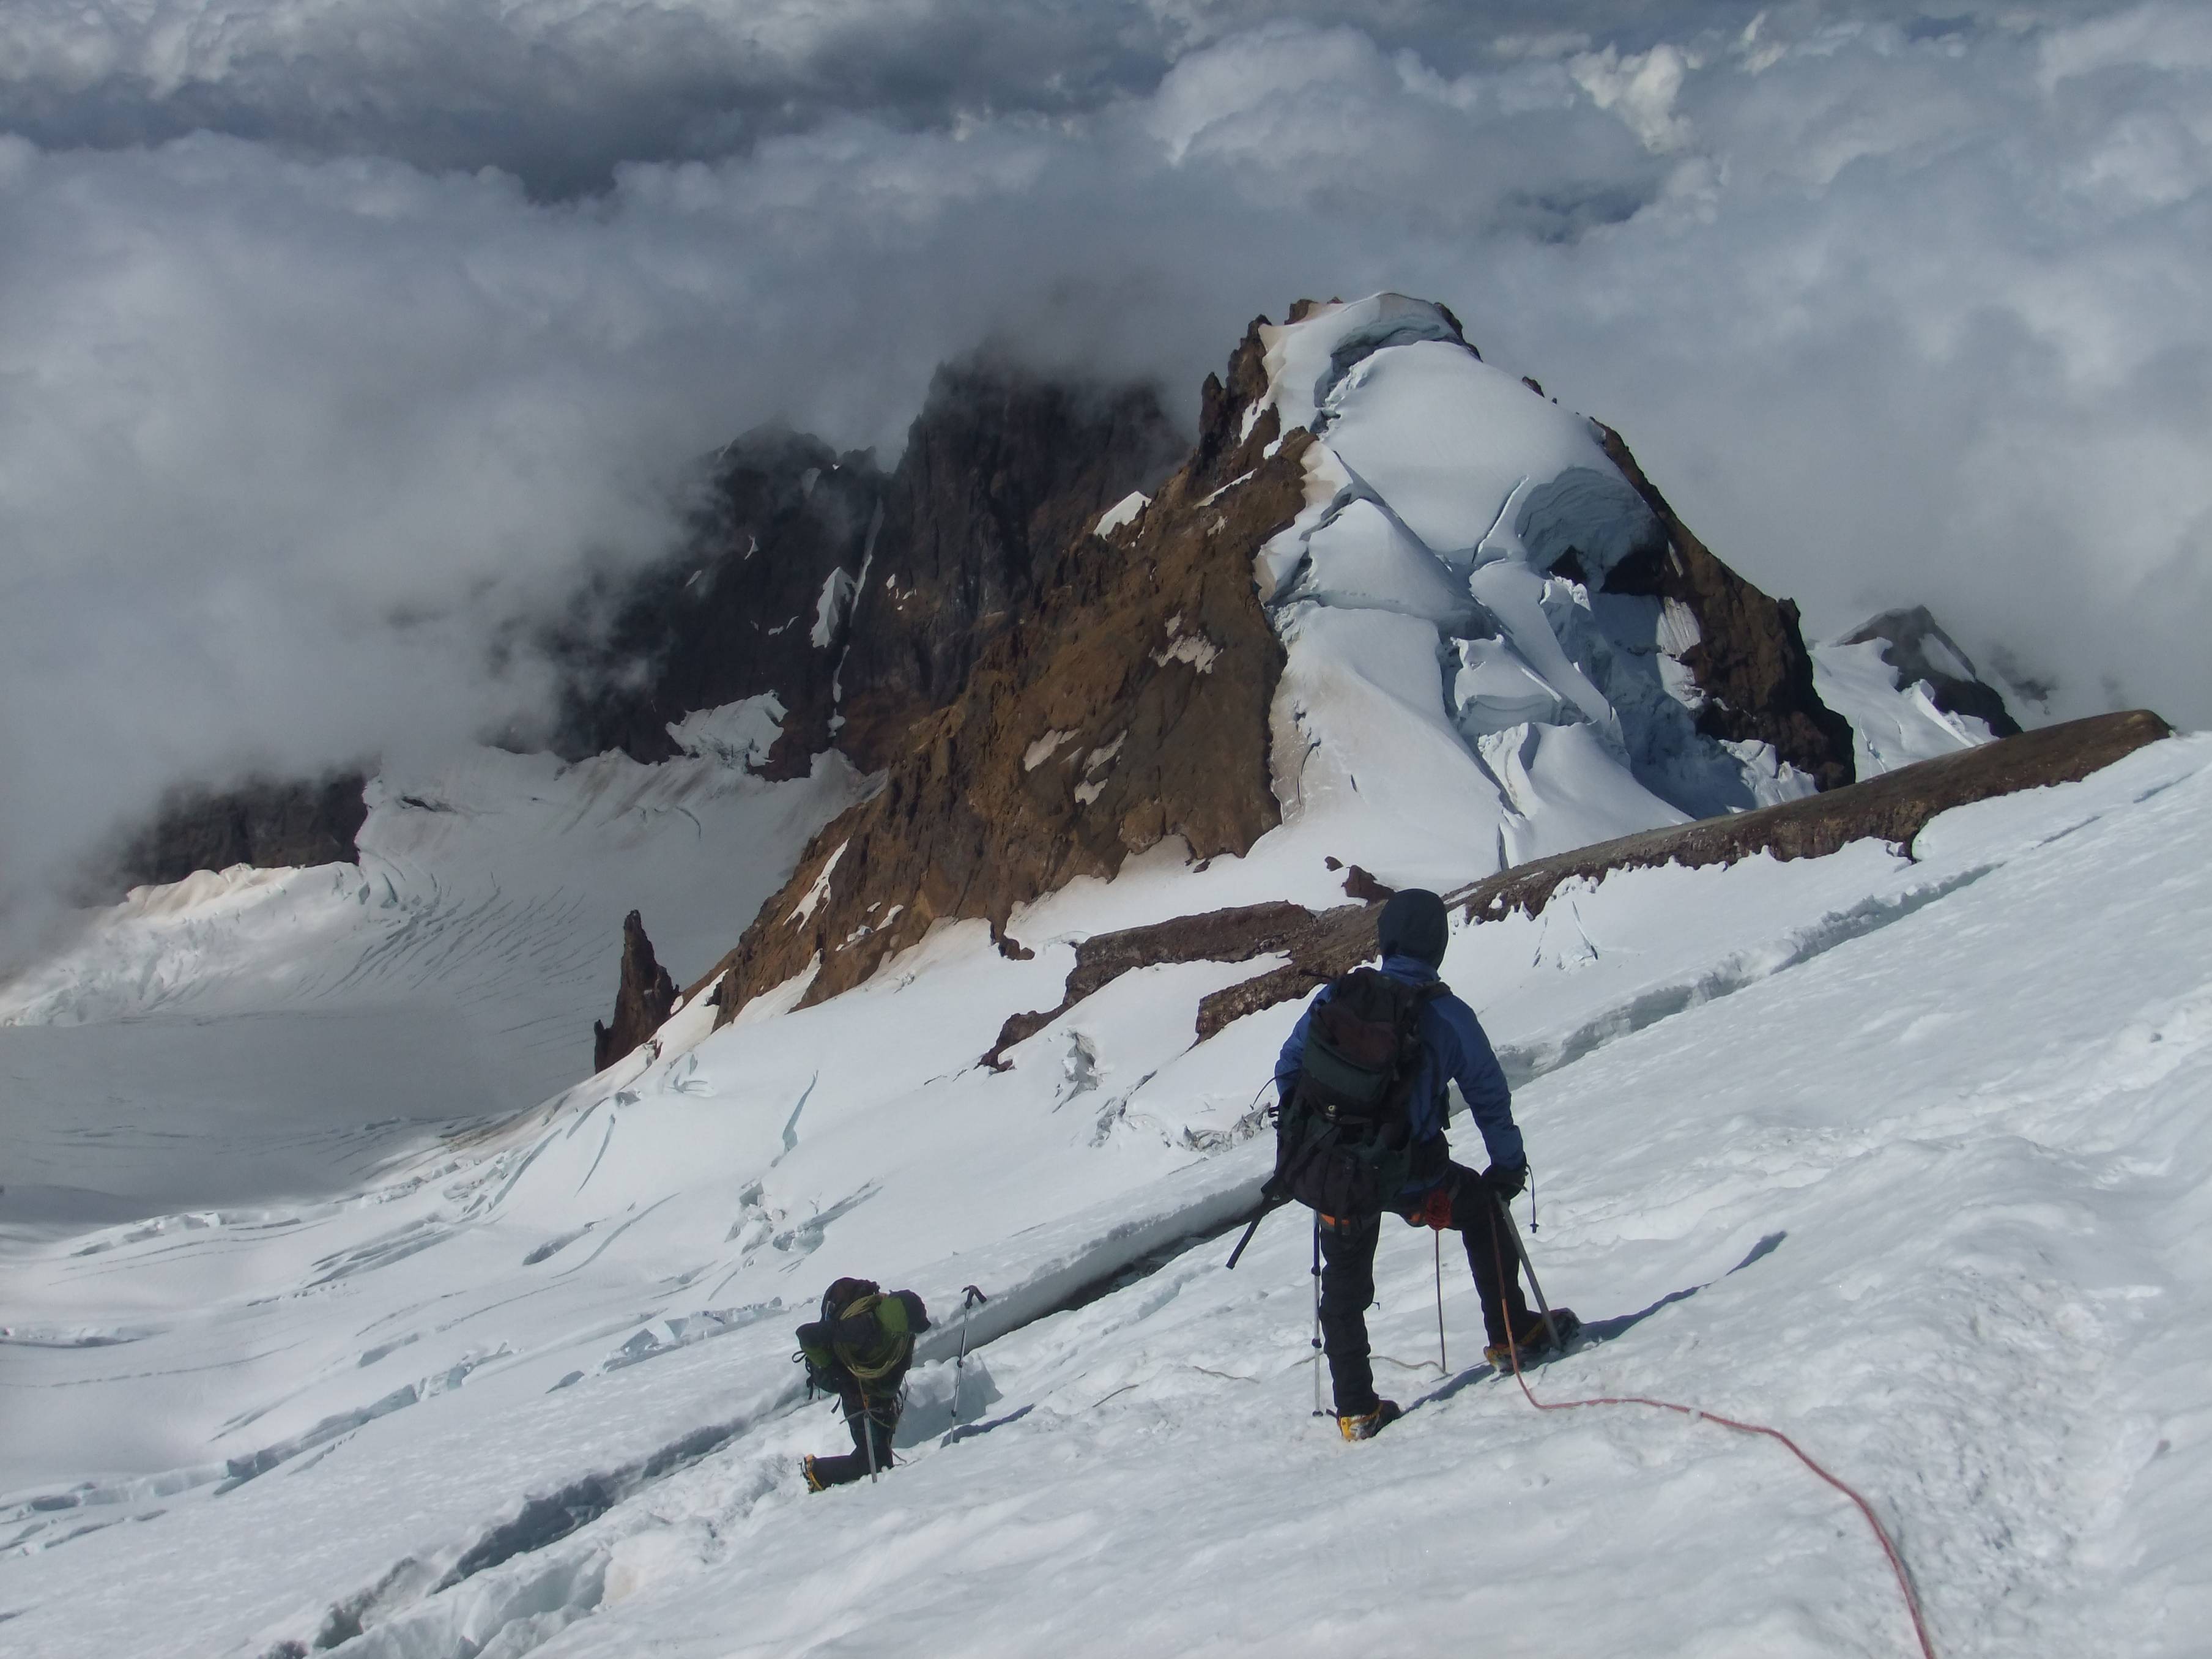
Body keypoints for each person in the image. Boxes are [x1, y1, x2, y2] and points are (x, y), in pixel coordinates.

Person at [1275, 888, 1575, 1441]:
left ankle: (1357, 1410)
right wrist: (1508, 1167)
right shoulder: (1448, 1015)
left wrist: (1314, 1141)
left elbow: (1289, 1066)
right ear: (1437, 946)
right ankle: (1511, 1334)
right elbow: (1488, 1097)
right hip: (1413, 1174)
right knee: (1483, 1211)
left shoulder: (1336, 998)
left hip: (1335, 1174)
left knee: (1344, 1286)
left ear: (1386, 940)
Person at [795, 1277, 930, 1491]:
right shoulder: (860, 1328)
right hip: (855, 1390)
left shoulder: (899, 1334)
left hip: (876, 1391)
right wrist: (840, 1375)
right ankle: (817, 1471)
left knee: (877, 1457)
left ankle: (829, 1476)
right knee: (874, 1461)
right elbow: (806, 1335)